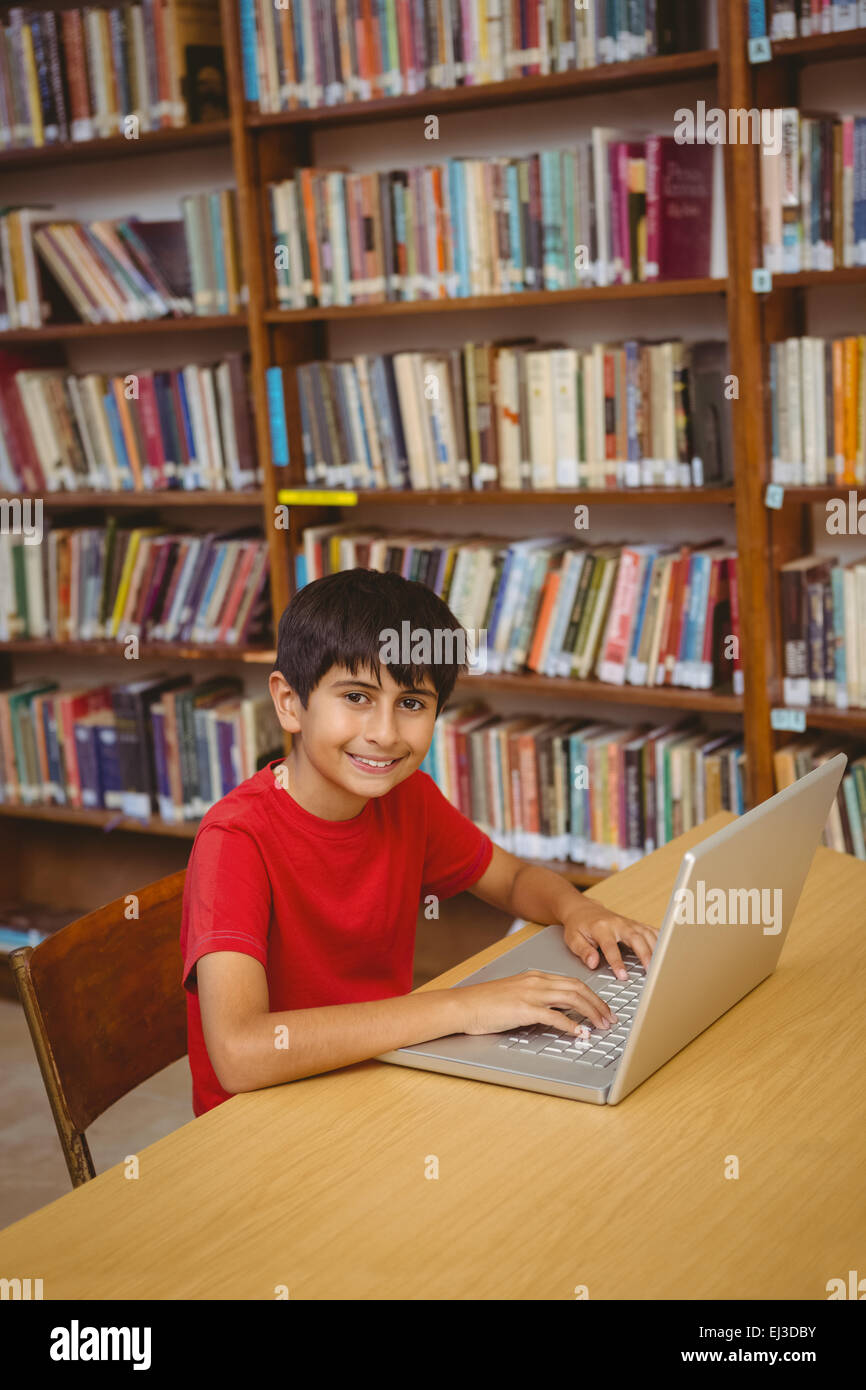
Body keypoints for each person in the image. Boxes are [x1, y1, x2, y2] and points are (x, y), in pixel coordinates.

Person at [180, 568, 657, 1114]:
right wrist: (460, 1008)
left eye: (411, 703)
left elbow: (514, 879)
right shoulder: (235, 839)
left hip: (378, 1076)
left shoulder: (408, 799)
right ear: (289, 702)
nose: (385, 732)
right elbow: (241, 1053)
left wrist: (578, 909)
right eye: (357, 696)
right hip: (268, 1119)